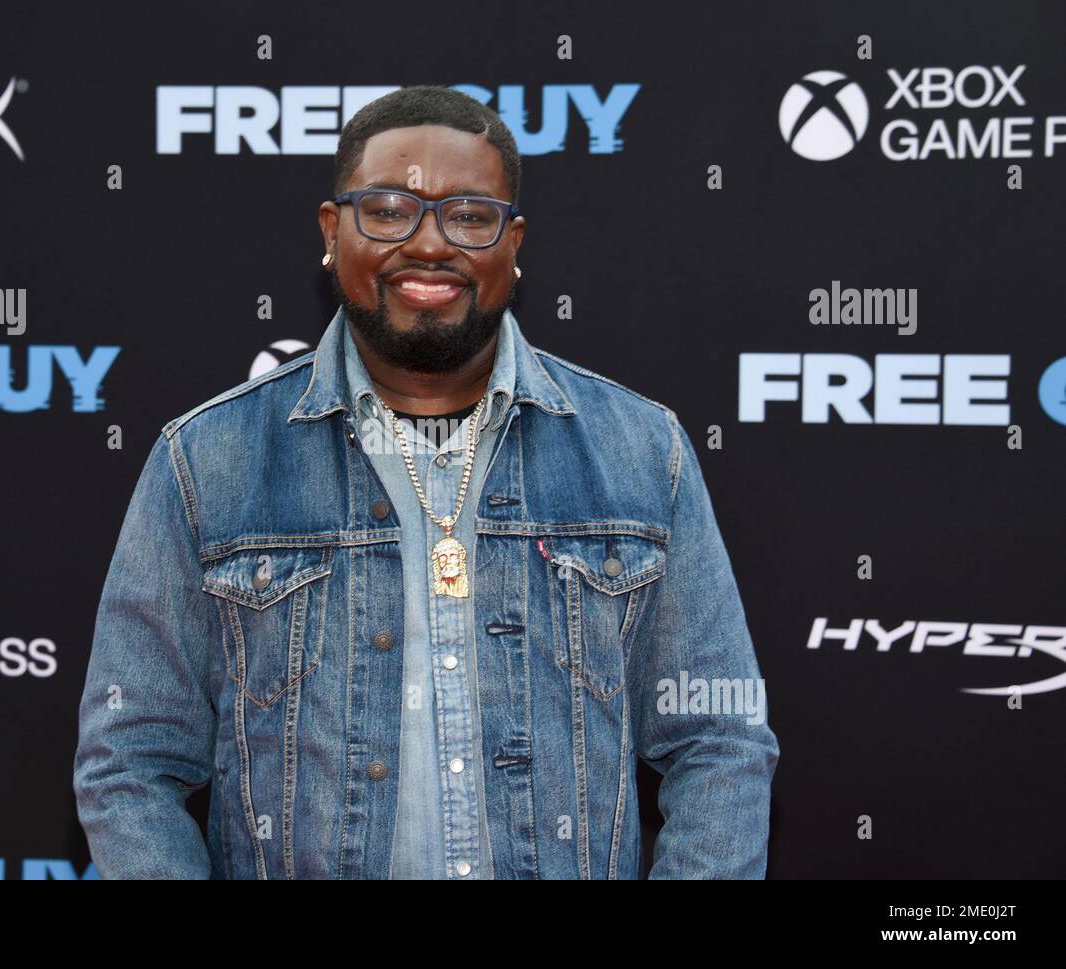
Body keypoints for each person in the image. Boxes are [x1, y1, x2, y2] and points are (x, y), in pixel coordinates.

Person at [73, 84, 779, 879]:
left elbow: (720, 738)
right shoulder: (208, 461)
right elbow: (128, 762)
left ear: (513, 243)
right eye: (388, 209)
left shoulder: (642, 453)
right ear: (332, 232)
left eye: (469, 215)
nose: (430, 244)